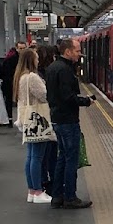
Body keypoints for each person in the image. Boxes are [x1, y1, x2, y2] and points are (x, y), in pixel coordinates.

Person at [45, 38, 93, 209]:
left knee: (62, 158)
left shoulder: (52, 68)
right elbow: (67, 97)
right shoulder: (65, 70)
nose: (79, 54)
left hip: (57, 118)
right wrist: (85, 101)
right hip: (68, 120)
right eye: (77, 50)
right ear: (67, 51)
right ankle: (70, 197)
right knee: (71, 159)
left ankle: (57, 196)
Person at [13, 49, 54, 204]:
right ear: (31, 60)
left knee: (31, 156)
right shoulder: (32, 77)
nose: (38, 61)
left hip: (27, 119)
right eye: (36, 58)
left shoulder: (21, 77)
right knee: (37, 157)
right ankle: (37, 191)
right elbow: (44, 96)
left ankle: (32, 190)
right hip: (37, 120)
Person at [36, 44, 59, 197]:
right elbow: (47, 96)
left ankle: (45, 182)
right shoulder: (40, 75)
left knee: (43, 154)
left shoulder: (38, 73)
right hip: (46, 117)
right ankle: (46, 184)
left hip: (42, 118)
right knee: (46, 154)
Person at [0, 41, 26, 125]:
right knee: (10, 101)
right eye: (20, 48)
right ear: (16, 48)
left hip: (17, 82)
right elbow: (6, 72)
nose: (22, 50)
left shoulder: (17, 58)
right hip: (10, 83)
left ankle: (17, 119)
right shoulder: (12, 59)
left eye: (24, 48)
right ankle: (10, 118)